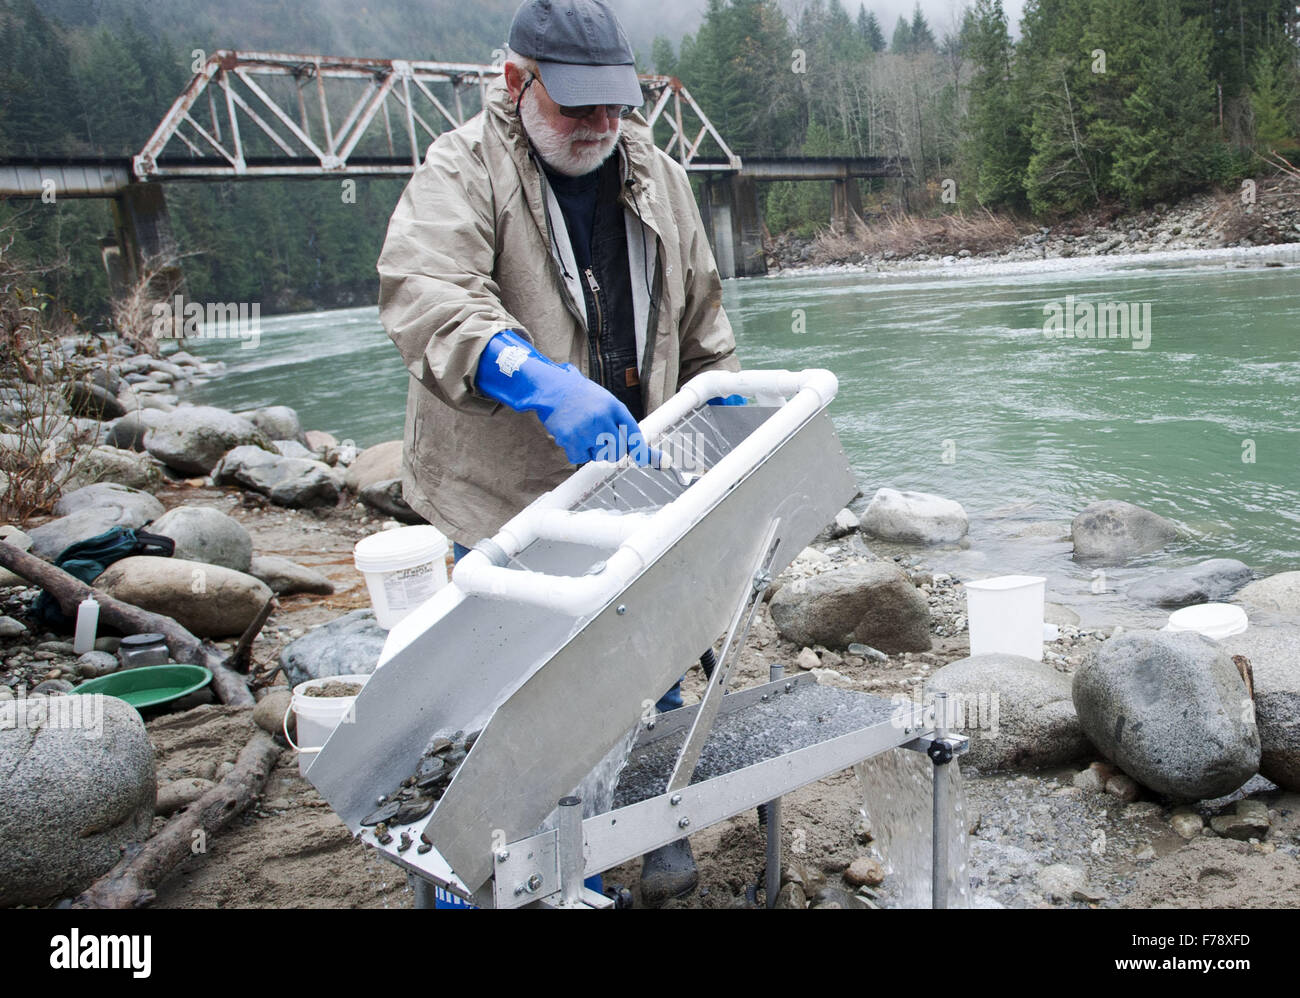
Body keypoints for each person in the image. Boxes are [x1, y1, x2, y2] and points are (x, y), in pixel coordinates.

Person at [376, 0, 741, 907]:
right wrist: (530, 375)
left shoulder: (657, 176)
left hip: (638, 469)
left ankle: (649, 817)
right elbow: (426, 291)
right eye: (579, 108)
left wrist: (723, 400)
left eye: (616, 107)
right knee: (518, 683)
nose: (602, 129)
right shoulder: (459, 168)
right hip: (503, 492)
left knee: (650, 654)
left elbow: (703, 320)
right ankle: (514, 855)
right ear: (515, 81)